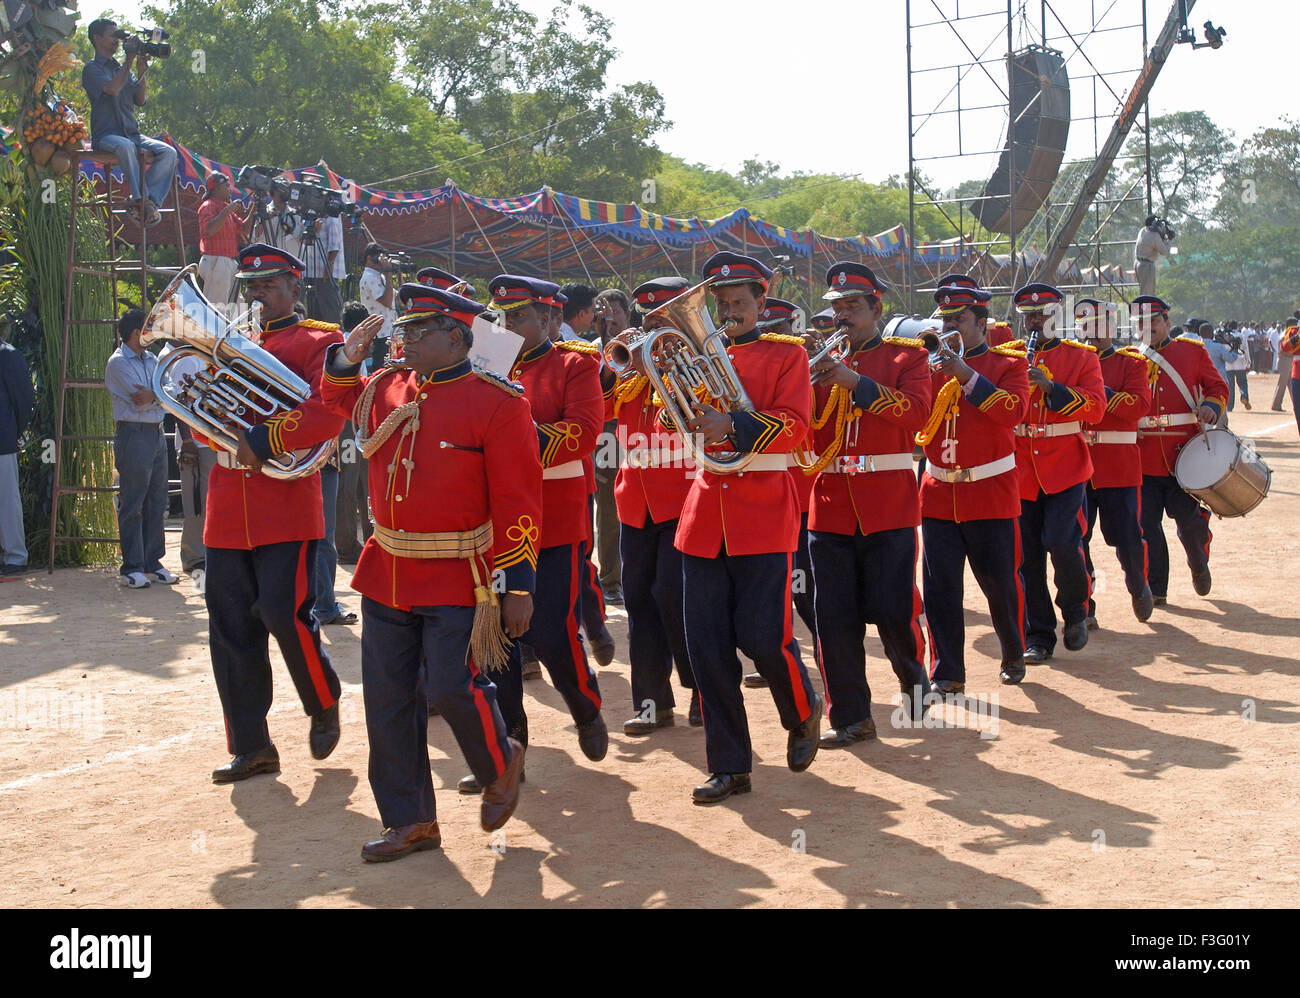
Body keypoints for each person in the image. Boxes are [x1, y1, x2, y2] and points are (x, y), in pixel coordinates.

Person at [320, 285, 536, 860]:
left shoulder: (498, 401)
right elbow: (336, 397)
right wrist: (345, 354)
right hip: (388, 568)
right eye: (404, 330)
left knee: (449, 684)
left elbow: (519, 500)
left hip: (459, 572)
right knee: (388, 698)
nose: (404, 340)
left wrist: (518, 586)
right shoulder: (386, 386)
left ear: (457, 338)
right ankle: (410, 819)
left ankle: (499, 760)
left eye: (420, 332)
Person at [676, 251, 821, 805]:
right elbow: (679, 419)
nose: (730, 311)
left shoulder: (788, 355)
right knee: (707, 649)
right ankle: (729, 765)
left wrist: (731, 422)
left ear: (762, 303)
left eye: (740, 302)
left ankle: (803, 711)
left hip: (762, 511)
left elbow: (795, 429)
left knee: (763, 638)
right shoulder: (697, 354)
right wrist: (679, 408)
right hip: (705, 513)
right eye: (722, 303)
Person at [204, 243, 346, 783]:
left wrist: (261, 438)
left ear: (294, 286)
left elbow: (328, 412)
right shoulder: (226, 340)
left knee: (283, 613)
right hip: (227, 503)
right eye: (253, 286)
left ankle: (322, 698)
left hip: (285, 501)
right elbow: (197, 398)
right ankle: (252, 746)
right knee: (231, 627)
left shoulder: (319, 339)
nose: (259, 294)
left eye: (269, 285)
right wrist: (214, 429)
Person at [479, 274, 609, 770]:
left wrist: (512, 439)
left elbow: (582, 433)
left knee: (552, 631)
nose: (508, 324)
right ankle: (511, 745)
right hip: (495, 522)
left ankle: (584, 707)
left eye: (520, 316)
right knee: (498, 640)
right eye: (503, 316)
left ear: (551, 319)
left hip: (555, 518)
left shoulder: (577, 364)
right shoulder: (484, 364)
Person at [807, 263, 932, 744]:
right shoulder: (816, 361)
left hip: (888, 505)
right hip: (830, 504)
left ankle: (911, 673)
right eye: (836, 308)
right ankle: (852, 717)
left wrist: (855, 383)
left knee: (892, 608)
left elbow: (917, 416)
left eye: (852, 307)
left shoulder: (906, 359)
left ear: (876, 309)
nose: (842, 316)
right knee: (834, 619)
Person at [918, 284, 1029, 692]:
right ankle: (947, 671)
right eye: (945, 320)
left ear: (982, 324)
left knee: (999, 584)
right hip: (938, 493)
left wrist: (965, 376)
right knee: (940, 588)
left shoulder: (1007, 364)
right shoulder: (924, 367)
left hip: (989, 493)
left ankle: (1014, 651)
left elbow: (1011, 412)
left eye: (959, 320)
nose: (949, 327)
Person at [606, 276, 700, 734]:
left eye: (659, 317)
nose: (649, 327)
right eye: (646, 318)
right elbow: (600, 404)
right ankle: (651, 702)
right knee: (640, 601)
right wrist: (618, 360)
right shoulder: (629, 373)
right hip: (635, 501)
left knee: (675, 597)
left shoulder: (696, 365)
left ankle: (703, 688)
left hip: (682, 500)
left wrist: (658, 367)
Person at [1010, 282, 1106, 663]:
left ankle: (1076, 610)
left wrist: (1052, 388)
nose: (1036, 321)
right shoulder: (1009, 357)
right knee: (1027, 555)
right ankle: (1039, 635)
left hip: (1065, 466)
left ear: (1057, 316)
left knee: (1063, 541)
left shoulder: (1082, 357)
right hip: (1020, 470)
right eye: (1029, 316)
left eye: (1043, 314)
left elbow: (1096, 408)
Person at [1132, 295, 1228, 605]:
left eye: (1154, 323)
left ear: (1167, 324)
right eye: (1142, 324)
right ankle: (1157, 590)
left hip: (1182, 456)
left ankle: (1198, 561)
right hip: (1143, 458)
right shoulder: (1130, 358)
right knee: (1147, 526)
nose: (1149, 329)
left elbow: (1217, 388)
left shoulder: (1191, 352)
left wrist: (1212, 406)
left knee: (1189, 523)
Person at [742, 296, 814, 690]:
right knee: (772, 594)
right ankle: (769, 660)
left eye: (779, 329)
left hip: (799, 489)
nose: (771, 337)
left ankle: (828, 657)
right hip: (755, 488)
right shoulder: (747, 361)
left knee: (807, 591)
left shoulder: (797, 362)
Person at [1076, 298, 1154, 628]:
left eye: (1099, 327)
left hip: (1118, 466)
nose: (1093, 334)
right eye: (1087, 327)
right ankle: (1084, 606)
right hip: (1077, 465)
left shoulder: (1132, 363)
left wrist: (1101, 393)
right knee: (1075, 541)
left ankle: (1138, 584)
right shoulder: (1073, 362)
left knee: (1127, 538)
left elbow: (1139, 405)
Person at [105, 309, 178, 589]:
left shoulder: (151, 358)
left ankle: (152, 562)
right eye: (147, 328)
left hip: (156, 433)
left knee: (157, 501)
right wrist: (159, 394)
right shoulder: (118, 362)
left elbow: (166, 392)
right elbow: (140, 399)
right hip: (133, 434)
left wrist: (155, 394)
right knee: (133, 502)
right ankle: (131, 566)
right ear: (136, 333)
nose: (152, 334)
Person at [82, 19, 177, 228]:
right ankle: (138, 199)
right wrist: (129, 60)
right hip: (107, 136)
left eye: (119, 36)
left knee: (169, 152)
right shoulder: (92, 69)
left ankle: (149, 201)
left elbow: (140, 99)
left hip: (132, 134)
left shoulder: (123, 67)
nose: (118, 41)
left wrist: (141, 69)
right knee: (126, 146)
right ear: (97, 38)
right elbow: (113, 89)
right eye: (112, 35)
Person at [158, 340, 216, 591]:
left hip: (208, 440)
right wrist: (189, 439)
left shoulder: (200, 357)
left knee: (207, 501)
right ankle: (193, 556)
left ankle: (203, 553)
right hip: (196, 442)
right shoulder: (187, 359)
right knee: (196, 503)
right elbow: (181, 403)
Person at [591, 288, 630, 605]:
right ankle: (611, 580)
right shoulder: (592, 349)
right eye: (603, 311)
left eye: (615, 310)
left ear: (627, 314)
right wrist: (606, 345)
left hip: (640, 432)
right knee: (608, 508)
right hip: (607, 432)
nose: (609, 316)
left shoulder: (643, 341)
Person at [334, 302, 372, 564]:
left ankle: (367, 541)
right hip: (348, 423)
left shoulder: (352, 345)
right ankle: (347, 546)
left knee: (361, 482)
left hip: (358, 421)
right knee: (349, 483)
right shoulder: (347, 347)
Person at [0, 327, 33, 575]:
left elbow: (23, 400)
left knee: (7, 500)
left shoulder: (8, 354)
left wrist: (14, 430)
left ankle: (15, 556)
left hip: (3, 439)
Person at [195, 173, 251, 306]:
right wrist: (226, 211)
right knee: (217, 306)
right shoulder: (208, 205)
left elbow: (244, 230)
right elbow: (209, 230)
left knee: (237, 307)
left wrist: (253, 210)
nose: (230, 189)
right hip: (216, 261)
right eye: (226, 186)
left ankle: (233, 327)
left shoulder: (226, 208)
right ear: (216, 189)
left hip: (228, 262)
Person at [357, 244, 396, 368]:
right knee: (381, 369)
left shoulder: (379, 277)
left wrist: (398, 273)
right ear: (370, 258)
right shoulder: (370, 277)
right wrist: (389, 273)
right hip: (380, 333)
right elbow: (387, 301)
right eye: (380, 257)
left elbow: (397, 298)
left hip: (387, 332)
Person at [1134, 216, 1171, 298]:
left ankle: (1142, 309)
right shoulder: (1154, 236)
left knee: (1144, 292)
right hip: (1146, 265)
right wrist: (1167, 240)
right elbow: (1164, 252)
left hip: (1139, 263)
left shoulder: (1143, 230)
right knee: (1147, 294)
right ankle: (1144, 310)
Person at [1280, 320, 1300, 437]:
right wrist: (1297, 337)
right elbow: (1284, 348)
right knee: (1298, 408)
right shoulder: (1294, 332)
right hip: (1297, 375)